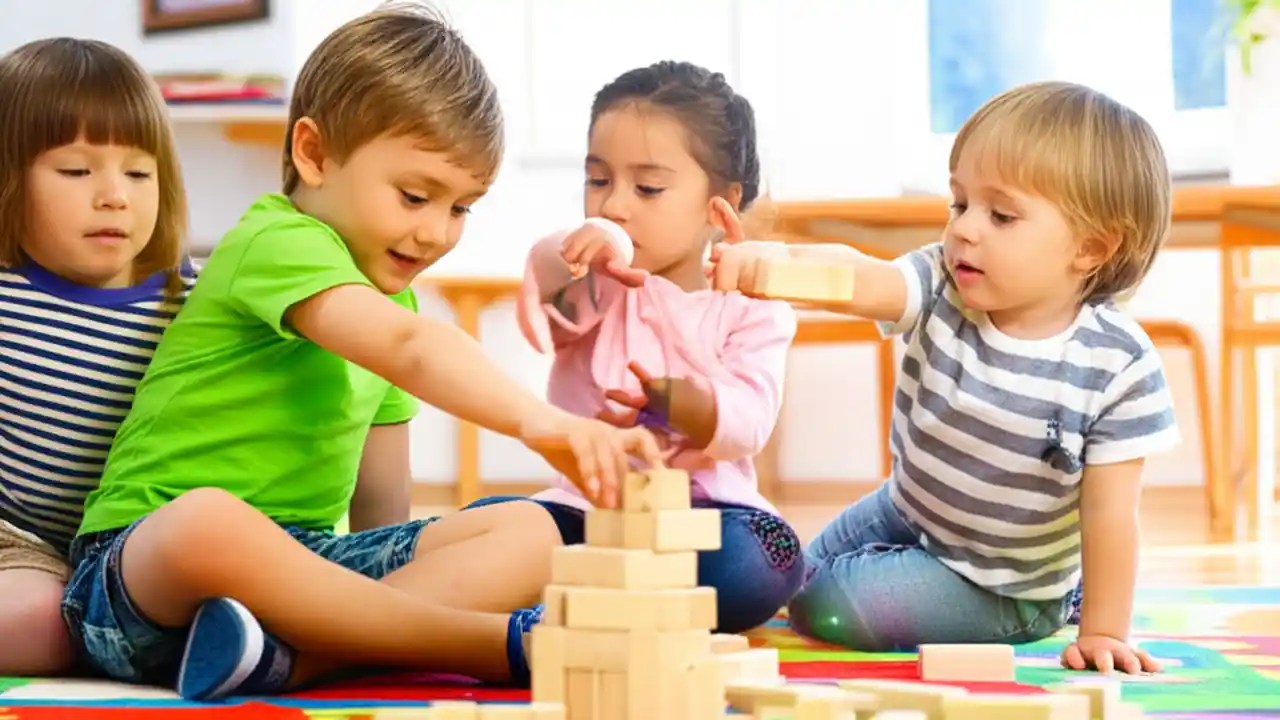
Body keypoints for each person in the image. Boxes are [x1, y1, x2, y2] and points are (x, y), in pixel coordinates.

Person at [61, 4, 661, 701]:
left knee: (538, 530)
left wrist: (403, 566)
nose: (436, 232)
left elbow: (382, 516)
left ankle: (288, 658)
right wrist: (543, 422)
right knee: (210, 519)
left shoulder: (393, 304)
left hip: (300, 579)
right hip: (135, 582)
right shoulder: (274, 241)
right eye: (414, 196)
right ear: (314, 154)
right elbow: (408, 348)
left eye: (461, 208)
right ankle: (484, 643)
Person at [709, 81, 1177, 674]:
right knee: (789, 578)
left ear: (1089, 248)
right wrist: (774, 265)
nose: (965, 229)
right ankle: (887, 572)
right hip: (906, 510)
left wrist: (1105, 631)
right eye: (960, 203)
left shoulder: (1118, 366)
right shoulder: (942, 284)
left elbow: (1111, 515)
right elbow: (860, 278)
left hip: (1003, 583)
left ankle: (1057, 603)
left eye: (1001, 215)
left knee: (826, 604)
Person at [467, 60, 805, 634]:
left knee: (765, 564)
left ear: (719, 207)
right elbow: (554, 297)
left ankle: (586, 602)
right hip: (588, 512)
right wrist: (577, 259)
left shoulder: (755, 304)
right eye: (599, 181)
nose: (615, 205)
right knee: (483, 526)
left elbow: (749, 419)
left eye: (647, 187)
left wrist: (675, 402)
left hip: (705, 517)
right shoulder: (595, 277)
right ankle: (596, 595)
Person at [0, 36, 196, 676]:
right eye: (76, 171)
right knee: (37, 626)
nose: (115, 195)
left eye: (139, 173)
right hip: (15, 542)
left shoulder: (189, 300)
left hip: (133, 551)